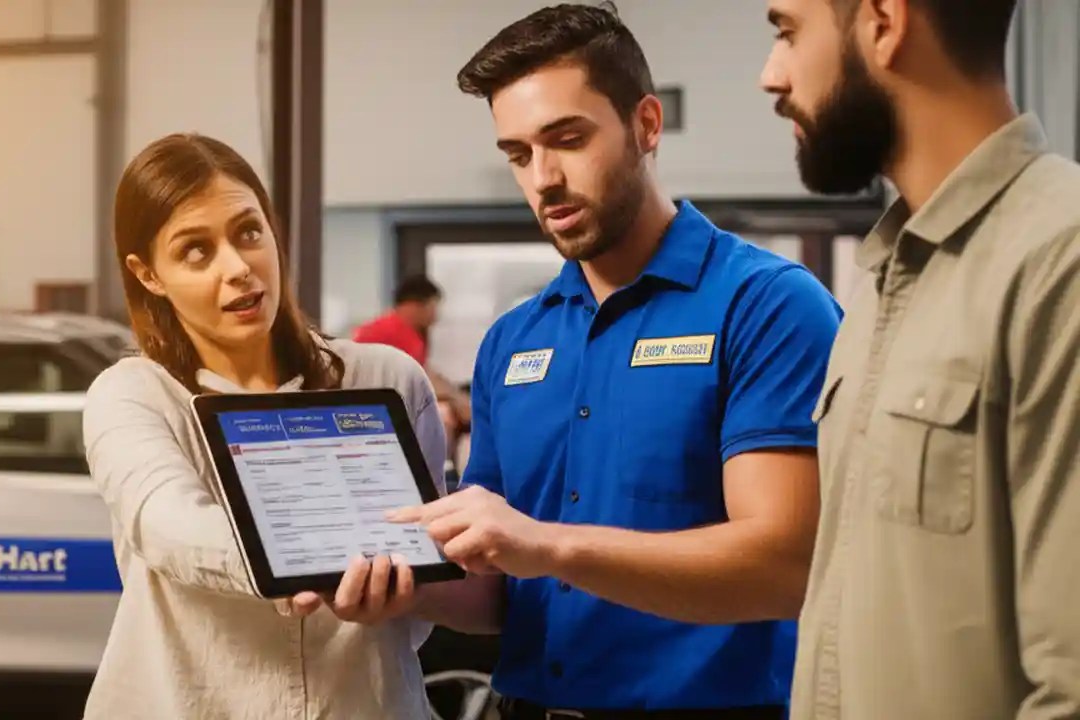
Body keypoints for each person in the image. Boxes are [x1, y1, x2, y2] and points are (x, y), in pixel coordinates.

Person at [315, 4, 843, 718]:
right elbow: (496, 589)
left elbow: (785, 566)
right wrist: (402, 584)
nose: (543, 178)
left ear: (646, 125)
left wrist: (552, 546)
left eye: (566, 140)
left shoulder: (767, 308)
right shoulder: (514, 342)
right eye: (518, 154)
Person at [760, 0, 1080, 717]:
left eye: (786, 32)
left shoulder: (1062, 261)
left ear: (883, 20)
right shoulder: (882, 279)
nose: (770, 76)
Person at [80, 132, 449, 719]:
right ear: (148, 274)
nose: (238, 268)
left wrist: (393, 583)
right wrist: (301, 562)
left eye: (249, 232)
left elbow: (421, 570)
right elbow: (166, 523)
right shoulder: (135, 395)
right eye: (195, 251)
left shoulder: (389, 380)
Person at [354, 275, 474, 449]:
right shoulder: (393, 331)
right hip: (377, 408)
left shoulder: (402, 330)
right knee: (445, 417)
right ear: (414, 305)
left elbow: (425, 371)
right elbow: (419, 379)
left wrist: (458, 396)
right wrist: (458, 401)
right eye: (433, 306)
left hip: (389, 401)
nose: (436, 315)